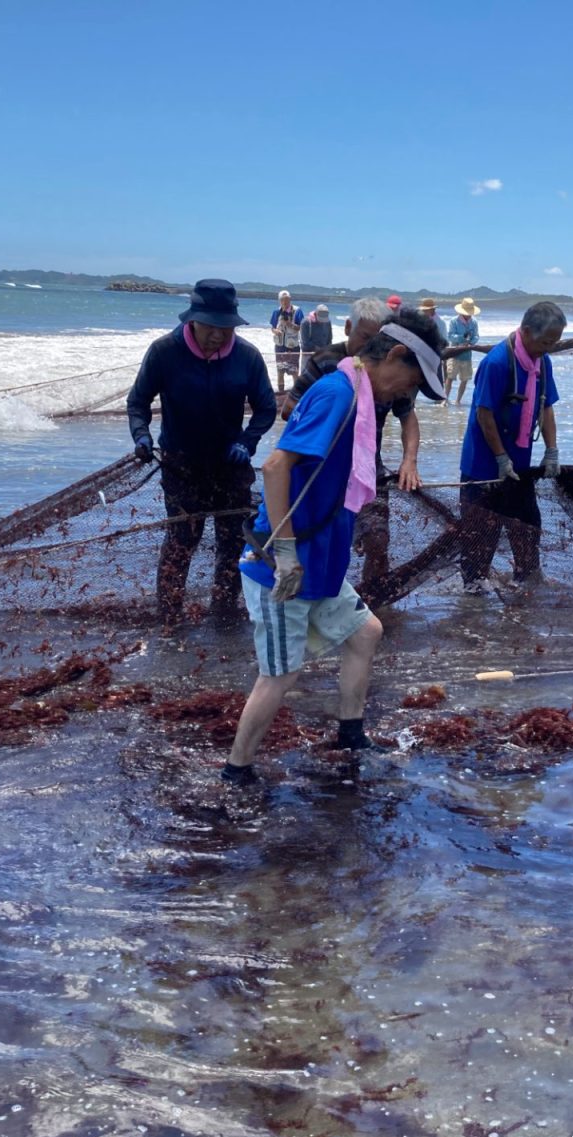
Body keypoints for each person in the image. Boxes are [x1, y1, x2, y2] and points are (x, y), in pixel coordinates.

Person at [225, 309, 447, 783]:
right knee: (280, 675)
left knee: (365, 632)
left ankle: (350, 734)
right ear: (395, 354)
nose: (408, 394)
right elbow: (275, 467)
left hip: (320, 560)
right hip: (284, 564)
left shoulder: (360, 398)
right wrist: (284, 553)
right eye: (411, 381)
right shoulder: (338, 395)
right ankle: (237, 771)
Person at [127, 278, 277, 624]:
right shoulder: (165, 352)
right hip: (182, 466)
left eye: (226, 327)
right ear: (192, 319)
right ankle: (169, 620)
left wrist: (247, 441)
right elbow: (138, 402)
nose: (219, 335)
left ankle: (224, 615)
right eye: (211, 326)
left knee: (232, 544)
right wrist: (141, 436)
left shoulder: (247, 357)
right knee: (181, 542)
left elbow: (266, 408)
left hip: (231, 465)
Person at [284, 298, 421, 589]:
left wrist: (410, 460)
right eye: (365, 338)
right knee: (323, 537)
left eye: (378, 340)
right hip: (326, 470)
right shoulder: (326, 363)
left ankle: (371, 600)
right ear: (348, 328)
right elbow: (289, 410)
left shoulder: (386, 371)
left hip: (369, 468)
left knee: (377, 538)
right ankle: (323, 594)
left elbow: (408, 417)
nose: (371, 347)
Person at [458, 301, 564, 591]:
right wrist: (501, 458)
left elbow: (546, 407)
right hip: (483, 467)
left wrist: (551, 451)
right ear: (526, 331)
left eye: (554, 342)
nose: (549, 348)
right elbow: (484, 413)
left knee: (528, 531)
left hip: (519, 468)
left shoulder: (542, 362)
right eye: (545, 341)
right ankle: (472, 602)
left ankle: (526, 585)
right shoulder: (497, 362)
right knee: (479, 538)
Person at [447, 297, 482, 404]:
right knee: (450, 377)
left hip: (467, 355)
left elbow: (476, 336)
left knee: (465, 379)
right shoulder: (454, 321)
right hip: (454, 353)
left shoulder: (474, 322)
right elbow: (450, 336)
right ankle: (445, 399)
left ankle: (458, 400)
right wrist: (462, 337)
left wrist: (471, 343)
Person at [270, 290, 305, 392]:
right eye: (282, 300)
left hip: (293, 346)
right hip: (279, 346)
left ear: (290, 299)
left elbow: (299, 327)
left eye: (287, 300)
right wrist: (276, 331)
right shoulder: (276, 312)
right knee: (280, 370)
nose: (285, 302)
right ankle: (281, 393)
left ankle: (296, 394)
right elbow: (272, 328)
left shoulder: (297, 311)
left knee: (294, 371)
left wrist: (289, 324)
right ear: (279, 301)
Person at [299, 304, 332, 377]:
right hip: (308, 357)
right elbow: (305, 343)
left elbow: (329, 339)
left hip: (323, 356)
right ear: (315, 314)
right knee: (306, 379)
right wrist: (319, 349)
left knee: (321, 378)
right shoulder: (306, 323)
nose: (322, 322)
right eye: (321, 319)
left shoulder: (328, 322)